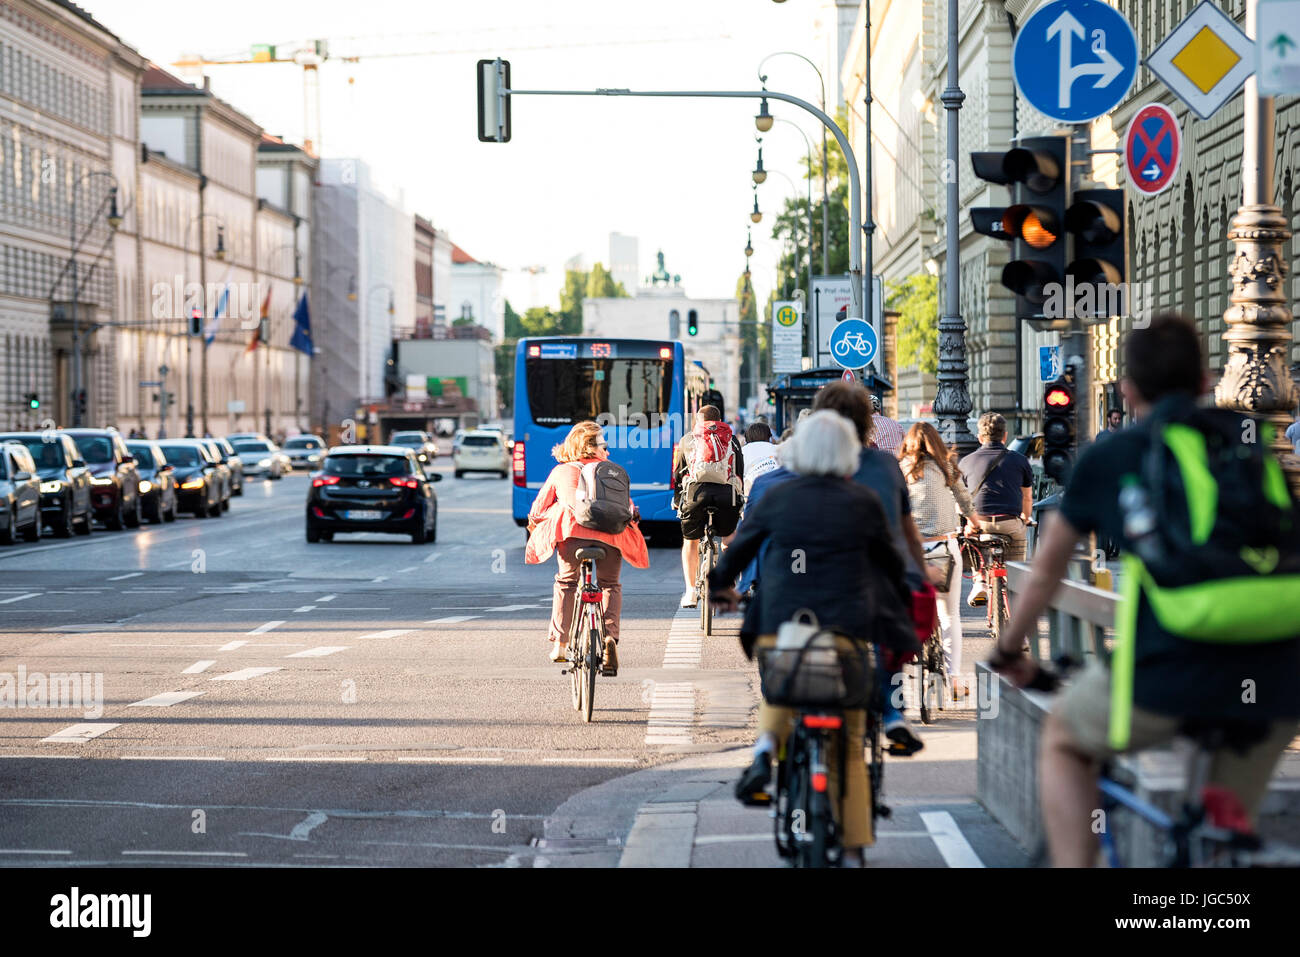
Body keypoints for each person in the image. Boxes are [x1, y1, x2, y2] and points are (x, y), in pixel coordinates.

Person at [991, 314, 1300, 867]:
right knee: (1223, 827)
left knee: (1063, 737)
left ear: (1128, 390)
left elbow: (1044, 573)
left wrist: (1008, 649)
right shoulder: (1254, 445)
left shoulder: (1115, 455)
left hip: (1168, 672)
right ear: (1206, 381)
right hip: (1276, 677)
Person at [709, 412, 918, 866]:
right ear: (848, 455)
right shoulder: (863, 501)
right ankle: (854, 841)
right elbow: (892, 566)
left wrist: (721, 590)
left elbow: (736, 553)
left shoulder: (777, 497)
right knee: (849, 735)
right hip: (845, 634)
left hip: (783, 629)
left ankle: (765, 752)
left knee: (784, 678)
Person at [747, 382, 929, 755]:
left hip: (802, 586)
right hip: (867, 580)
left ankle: (769, 747)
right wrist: (918, 576)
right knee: (886, 636)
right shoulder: (884, 465)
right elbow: (906, 535)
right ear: (868, 423)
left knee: (783, 655)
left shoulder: (798, 473)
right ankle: (894, 713)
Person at [525, 421, 649, 675]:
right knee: (609, 585)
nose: (608, 452)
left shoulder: (561, 471)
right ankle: (609, 638)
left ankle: (560, 645)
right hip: (611, 536)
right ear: (593, 448)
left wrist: (537, 525)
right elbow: (628, 508)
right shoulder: (612, 471)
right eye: (605, 446)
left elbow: (537, 510)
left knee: (567, 583)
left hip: (572, 535)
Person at [898, 422, 977, 694]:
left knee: (906, 605)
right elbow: (965, 502)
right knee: (950, 614)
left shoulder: (901, 469)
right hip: (944, 548)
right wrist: (975, 523)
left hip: (912, 551)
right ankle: (954, 679)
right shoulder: (947, 467)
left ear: (909, 443)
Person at [958, 412, 1034, 607]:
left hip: (980, 523)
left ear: (980, 437)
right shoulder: (1019, 460)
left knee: (972, 541)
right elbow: (1026, 496)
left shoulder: (966, 462)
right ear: (1005, 436)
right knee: (1016, 568)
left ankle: (979, 581)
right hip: (1010, 523)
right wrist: (1026, 517)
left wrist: (967, 522)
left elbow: (961, 499)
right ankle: (1014, 588)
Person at [673, 406, 744, 608]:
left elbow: (678, 475)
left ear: (698, 421)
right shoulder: (731, 438)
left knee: (690, 541)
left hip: (696, 495)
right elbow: (739, 472)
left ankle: (690, 592)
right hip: (726, 497)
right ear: (719, 420)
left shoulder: (688, 439)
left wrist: (678, 499)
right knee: (729, 537)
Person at [740, 422, 779, 499]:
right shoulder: (778, 448)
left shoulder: (743, 451)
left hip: (753, 490)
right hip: (778, 487)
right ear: (769, 436)